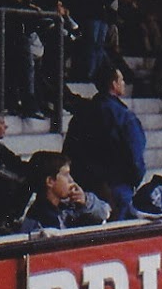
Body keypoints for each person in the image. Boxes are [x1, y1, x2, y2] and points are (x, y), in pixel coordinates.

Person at [61, 63, 147, 220]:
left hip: (86, 188)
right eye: (121, 80)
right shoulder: (124, 117)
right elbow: (135, 157)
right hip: (117, 187)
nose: (124, 83)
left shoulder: (82, 114)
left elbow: (68, 150)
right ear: (114, 84)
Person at [23, 150, 110, 230]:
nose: (71, 180)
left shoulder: (68, 205)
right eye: (66, 175)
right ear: (50, 181)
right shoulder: (39, 221)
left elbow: (105, 212)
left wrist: (85, 202)